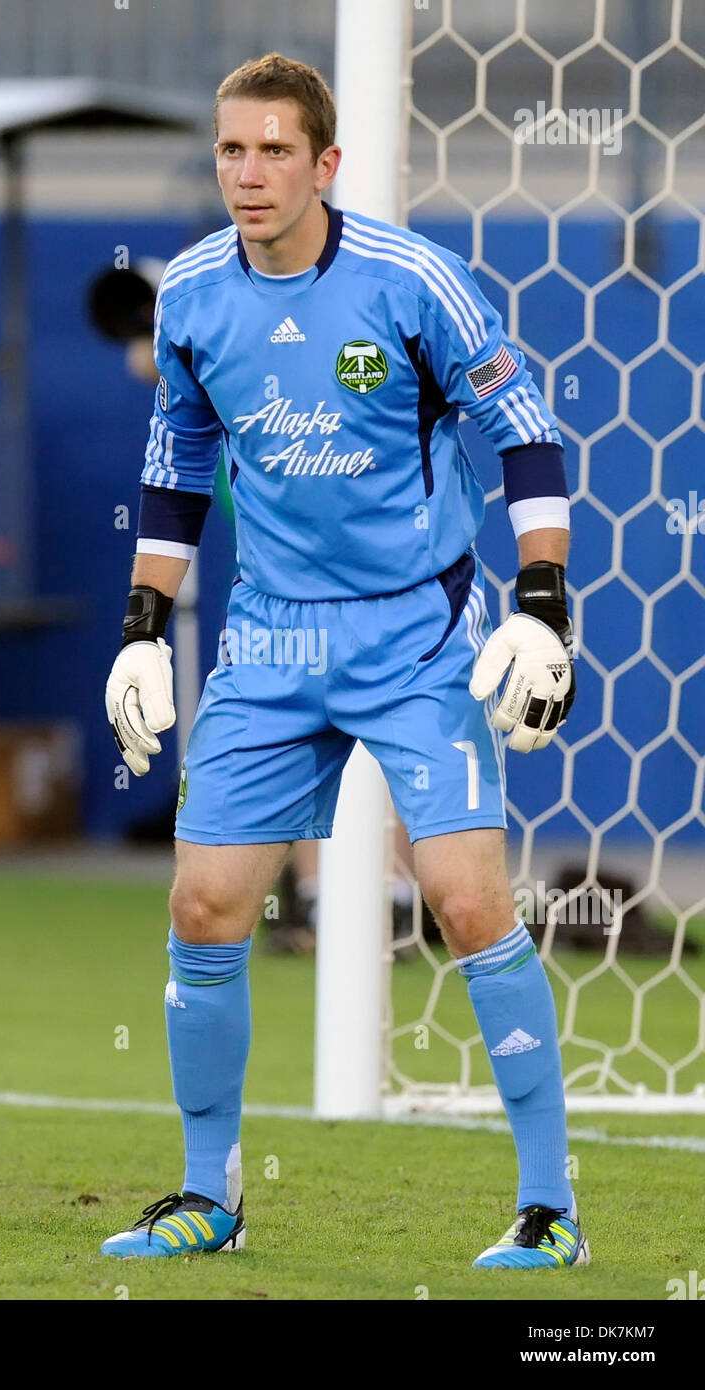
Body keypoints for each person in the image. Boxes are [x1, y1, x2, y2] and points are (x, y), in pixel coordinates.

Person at [101, 53, 588, 1270]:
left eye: (275, 151)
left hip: (416, 635)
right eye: (230, 149)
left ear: (327, 163)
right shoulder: (194, 297)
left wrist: (541, 606)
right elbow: (175, 469)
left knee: (470, 904)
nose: (249, 173)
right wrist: (143, 630)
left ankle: (549, 1210)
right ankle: (208, 1195)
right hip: (269, 637)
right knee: (205, 906)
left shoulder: (413, 282)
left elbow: (524, 433)